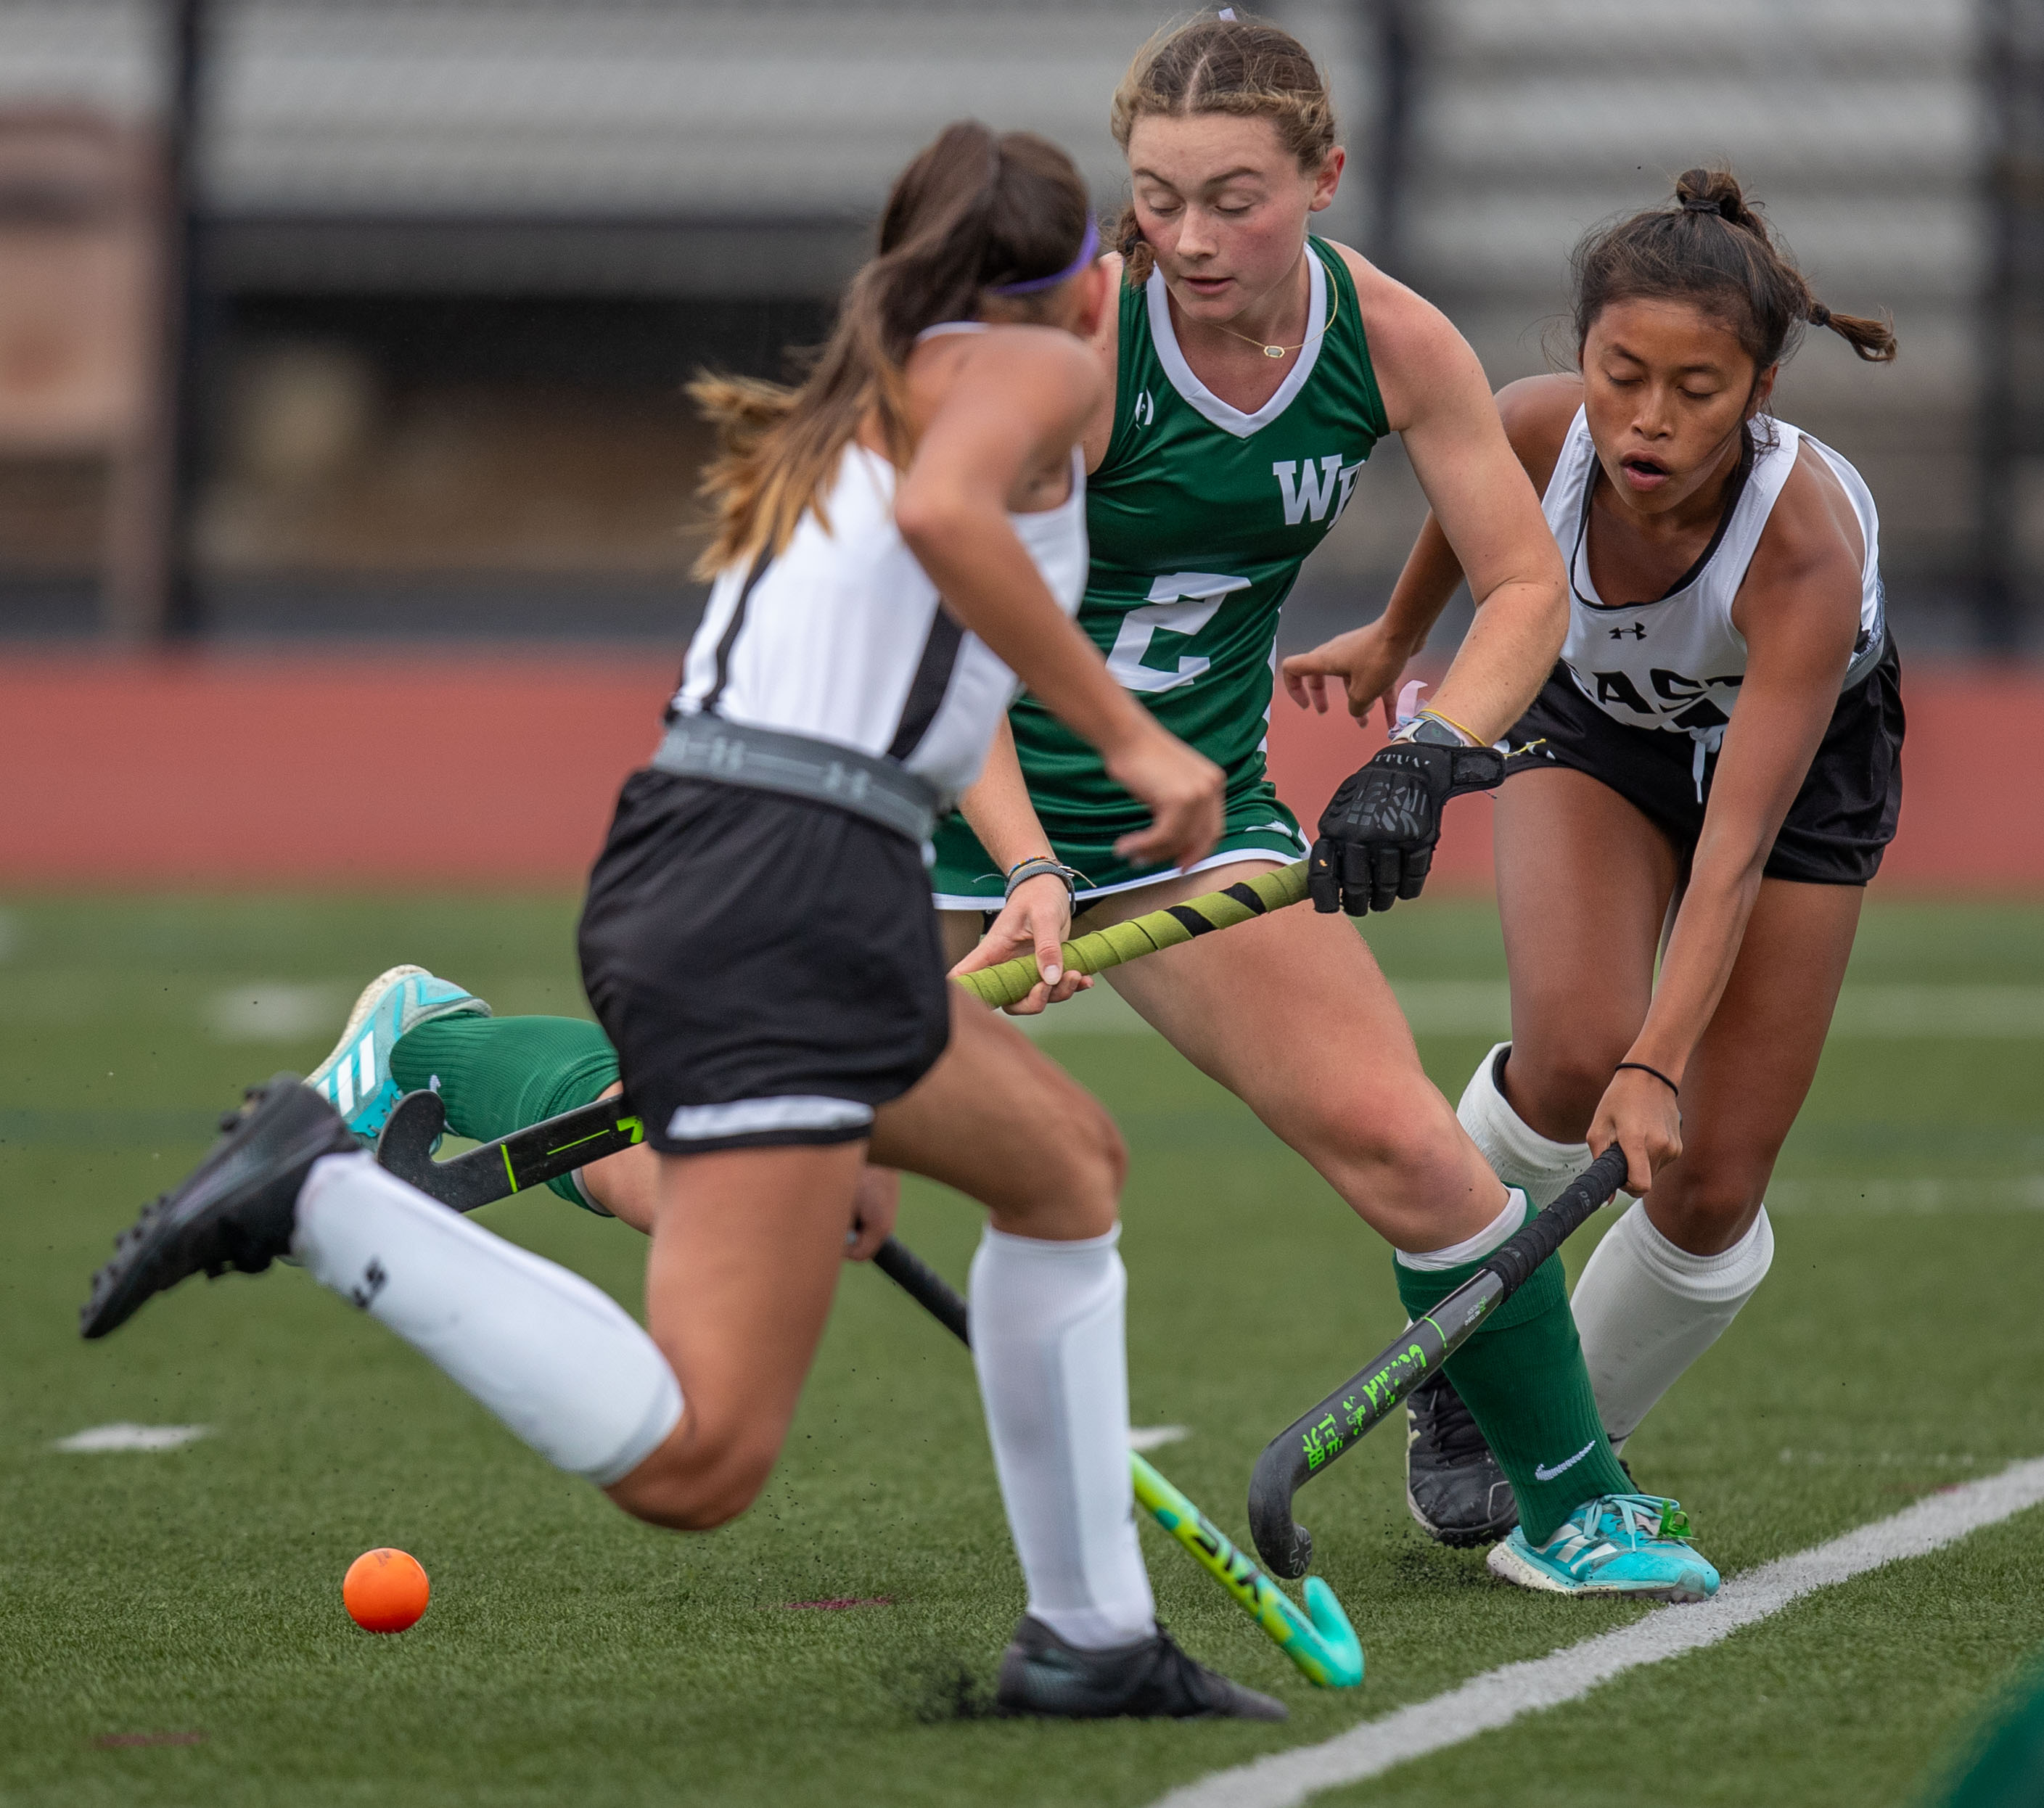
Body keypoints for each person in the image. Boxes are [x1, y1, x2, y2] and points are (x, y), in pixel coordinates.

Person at [292, 13, 1723, 1606]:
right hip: (920, 807)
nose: (1184, 238)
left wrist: (1429, 741)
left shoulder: (1390, 342)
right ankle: (434, 1043)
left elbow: (1523, 581)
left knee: (1405, 1145)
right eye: (1157, 194)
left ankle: (1568, 1502)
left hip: (1176, 817)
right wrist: (1026, 858)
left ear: (1323, 176)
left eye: (1231, 197)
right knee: (813, 1204)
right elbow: (958, 619)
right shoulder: (1071, 355)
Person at [80, 123, 1302, 1722]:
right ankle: (320, 1196)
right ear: (1083, 279)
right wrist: (1132, 739)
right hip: (785, 890)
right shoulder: (1028, 369)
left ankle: (1086, 1635)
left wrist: (1014, 869)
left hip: (737, 864)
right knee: (702, 1458)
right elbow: (949, 518)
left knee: (1061, 1169)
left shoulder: (864, 390)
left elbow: (912, 646)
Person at [1284, 167, 1904, 1545]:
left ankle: (1561, 1430)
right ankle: (1478, 1358)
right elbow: (1470, 521)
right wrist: (1398, 640)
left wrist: (1659, 1066)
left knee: (1710, 1180)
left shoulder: (1796, 549)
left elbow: (1732, 853)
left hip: (1792, 783)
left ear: (1757, 391)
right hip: (1593, 725)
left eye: (1698, 387)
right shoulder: (1534, 427)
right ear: (1584, 357)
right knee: (1567, 1059)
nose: (1649, 418)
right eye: (1622, 373)